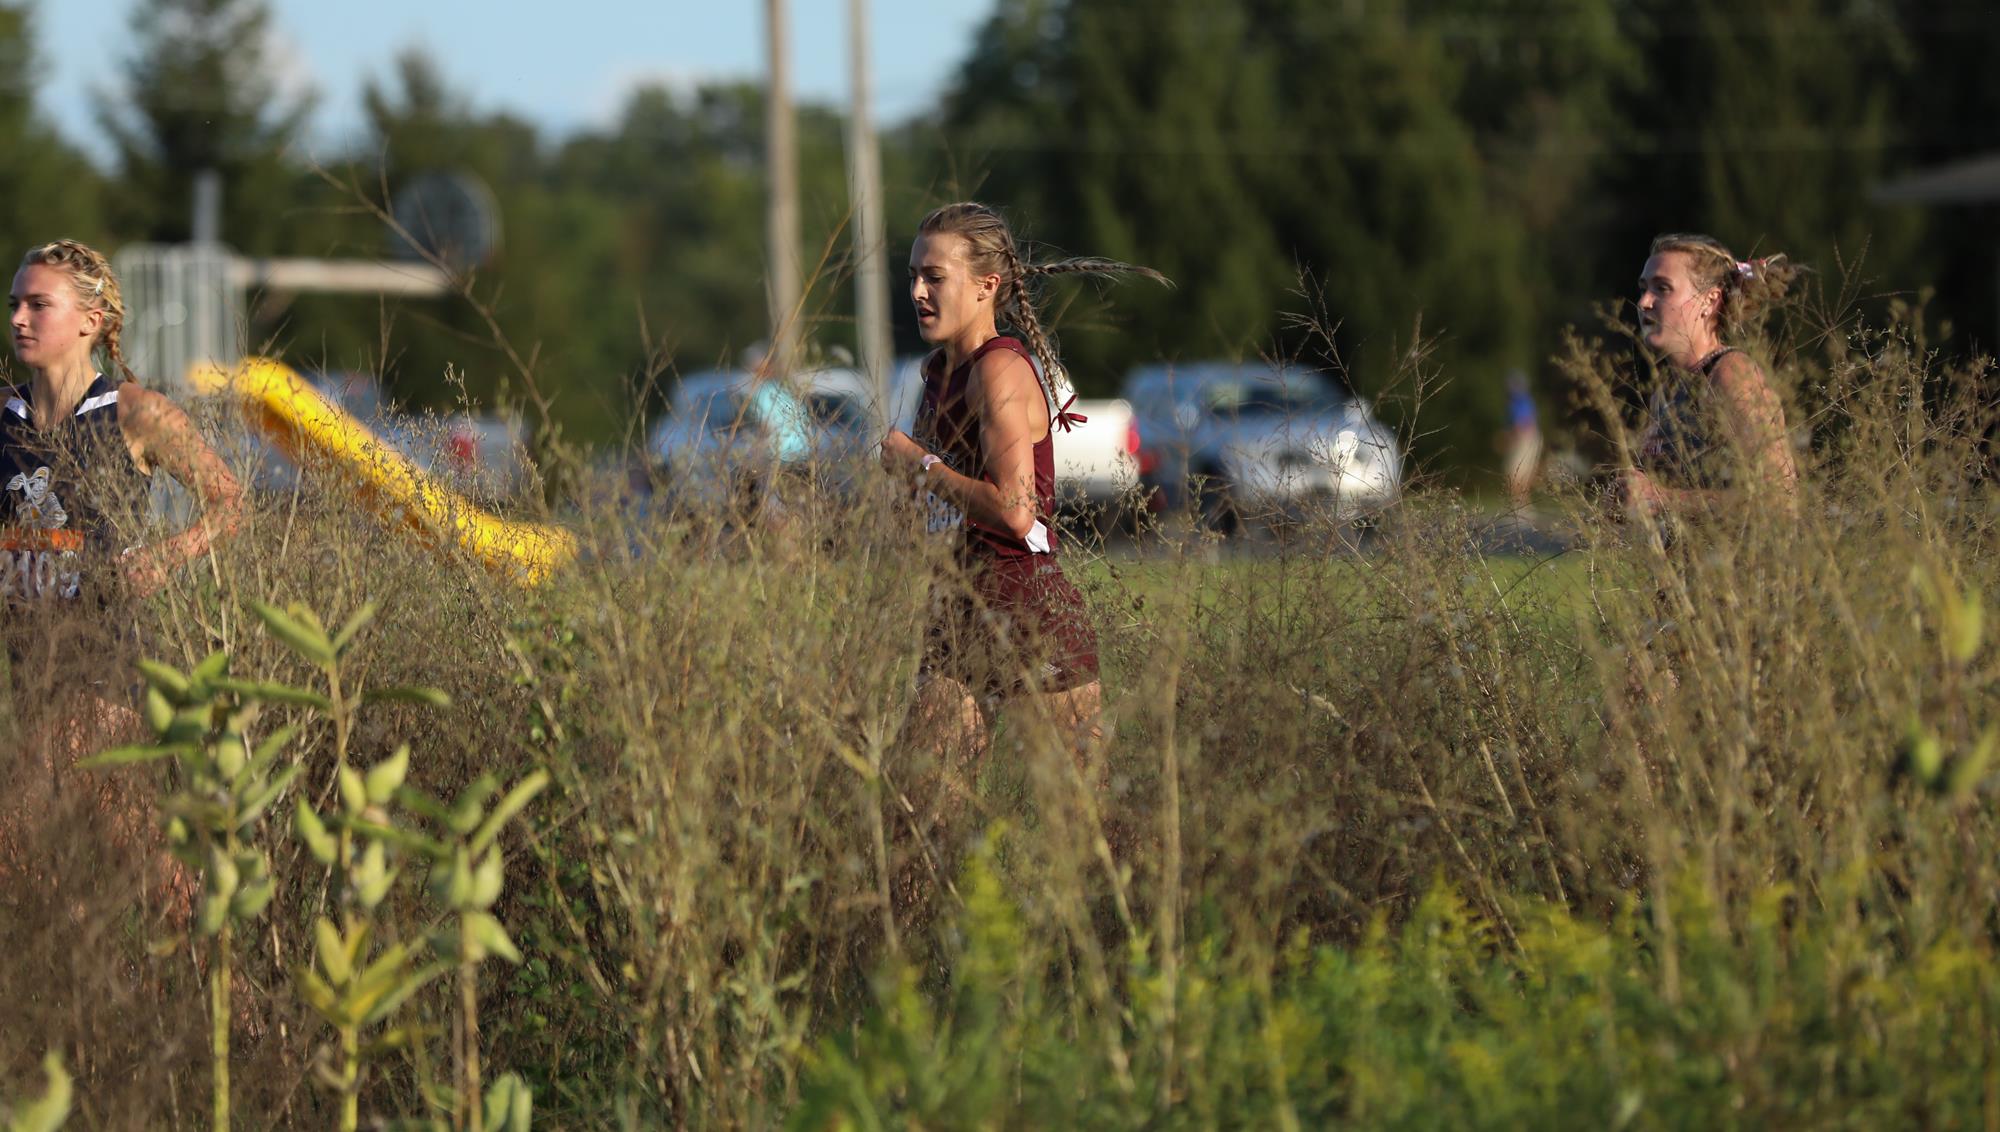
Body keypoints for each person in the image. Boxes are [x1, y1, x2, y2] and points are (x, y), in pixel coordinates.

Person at [878, 202, 1164, 864]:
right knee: (916, 814)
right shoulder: (937, 374)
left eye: (935, 277)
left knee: (1092, 821)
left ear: (986, 286)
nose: (918, 292)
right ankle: (905, 962)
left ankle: (1149, 939)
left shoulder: (1001, 370)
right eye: (913, 276)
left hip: (1027, 607)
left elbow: (1016, 511)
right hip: (961, 604)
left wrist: (919, 465)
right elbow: (942, 498)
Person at [0, 238, 244, 901]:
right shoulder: (6, 418)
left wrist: (171, 552)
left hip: (104, 668)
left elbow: (230, 503)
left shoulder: (135, 414)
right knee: (141, 868)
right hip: (29, 671)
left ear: (91, 318)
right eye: (14, 302)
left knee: (14, 840)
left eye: (38, 304)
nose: (19, 318)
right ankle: (192, 990)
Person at [1622, 232, 1798, 522]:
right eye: (1643, 288)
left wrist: (1660, 499)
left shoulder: (1731, 375)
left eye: (1662, 289)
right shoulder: (1666, 389)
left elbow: (1780, 500)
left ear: (1709, 301)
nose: (1643, 303)